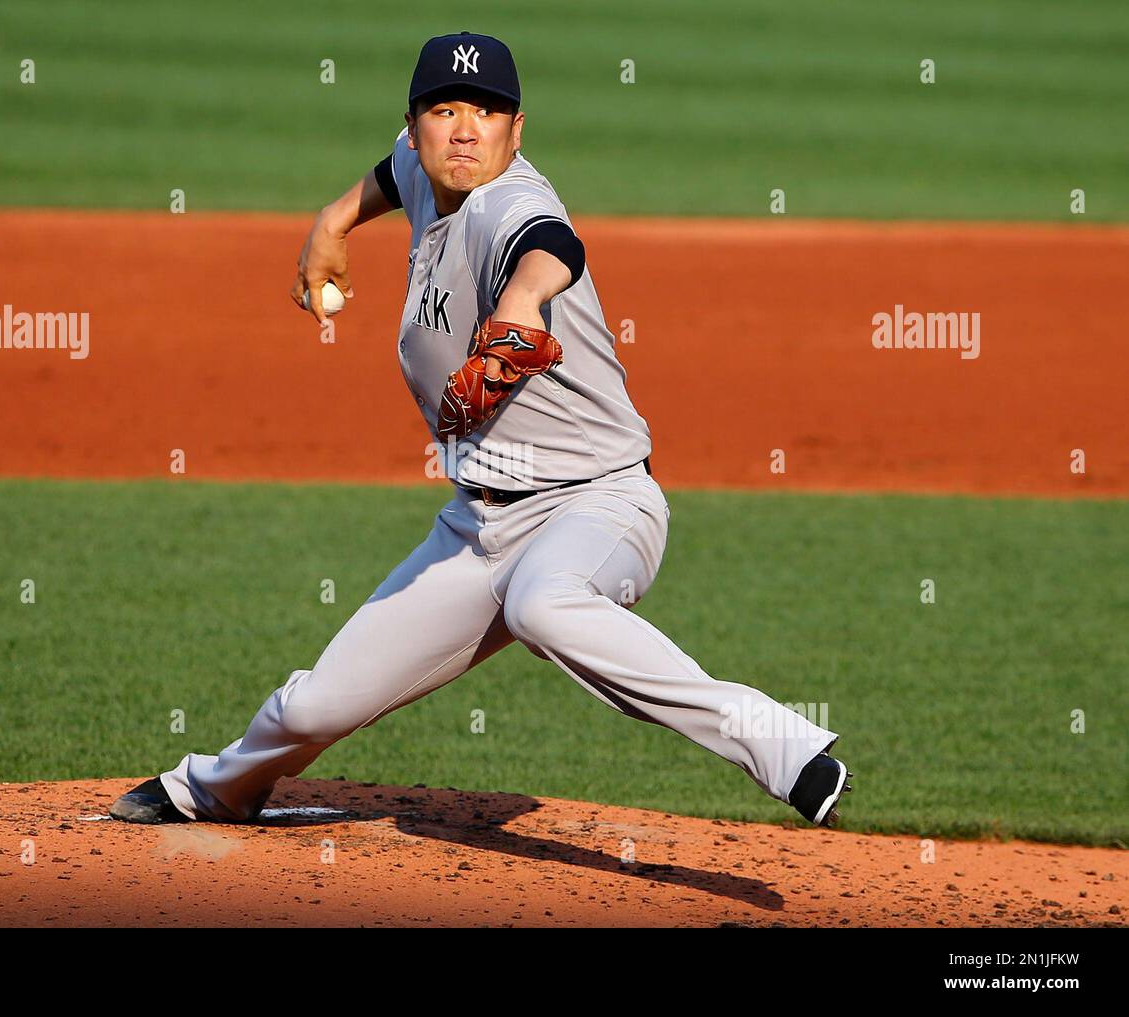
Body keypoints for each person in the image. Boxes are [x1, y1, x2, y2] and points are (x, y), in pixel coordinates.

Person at [110, 32, 852, 828]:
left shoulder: (511, 204)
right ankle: (216, 786)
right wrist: (334, 220)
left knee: (544, 603)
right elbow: (395, 174)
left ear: (517, 130)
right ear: (415, 122)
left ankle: (783, 745)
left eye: (488, 112)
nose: (466, 129)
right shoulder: (427, 172)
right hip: (476, 529)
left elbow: (550, 246)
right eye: (446, 109)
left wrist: (522, 303)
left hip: (596, 504)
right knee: (315, 705)